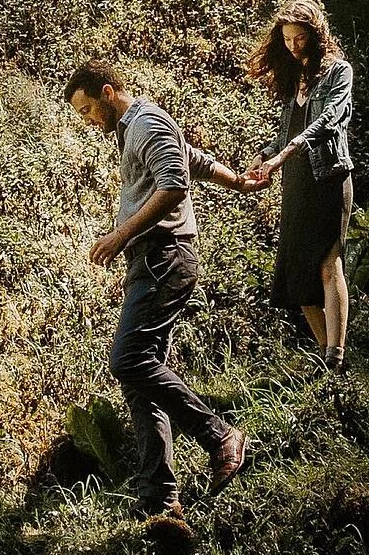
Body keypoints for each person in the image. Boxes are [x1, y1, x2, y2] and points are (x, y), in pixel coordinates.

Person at [64, 58, 264, 523]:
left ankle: (219, 436)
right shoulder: (138, 129)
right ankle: (159, 500)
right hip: (150, 259)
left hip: (164, 255)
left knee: (127, 360)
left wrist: (121, 235)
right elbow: (190, 160)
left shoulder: (144, 122)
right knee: (139, 379)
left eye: (89, 109)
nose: (90, 121)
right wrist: (237, 181)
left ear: (109, 92)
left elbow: (174, 186)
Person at [245, 0, 354, 373]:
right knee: (296, 270)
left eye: (300, 39)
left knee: (327, 264)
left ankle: (335, 356)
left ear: (316, 34)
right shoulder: (295, 79)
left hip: (328, 176)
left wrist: (285, 153)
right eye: (287, 40)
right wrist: (265, 155)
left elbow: (328, 120)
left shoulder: (339, 72)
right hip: (295, 181)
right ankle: (326, 355)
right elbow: (284, 133)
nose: (293, 47)